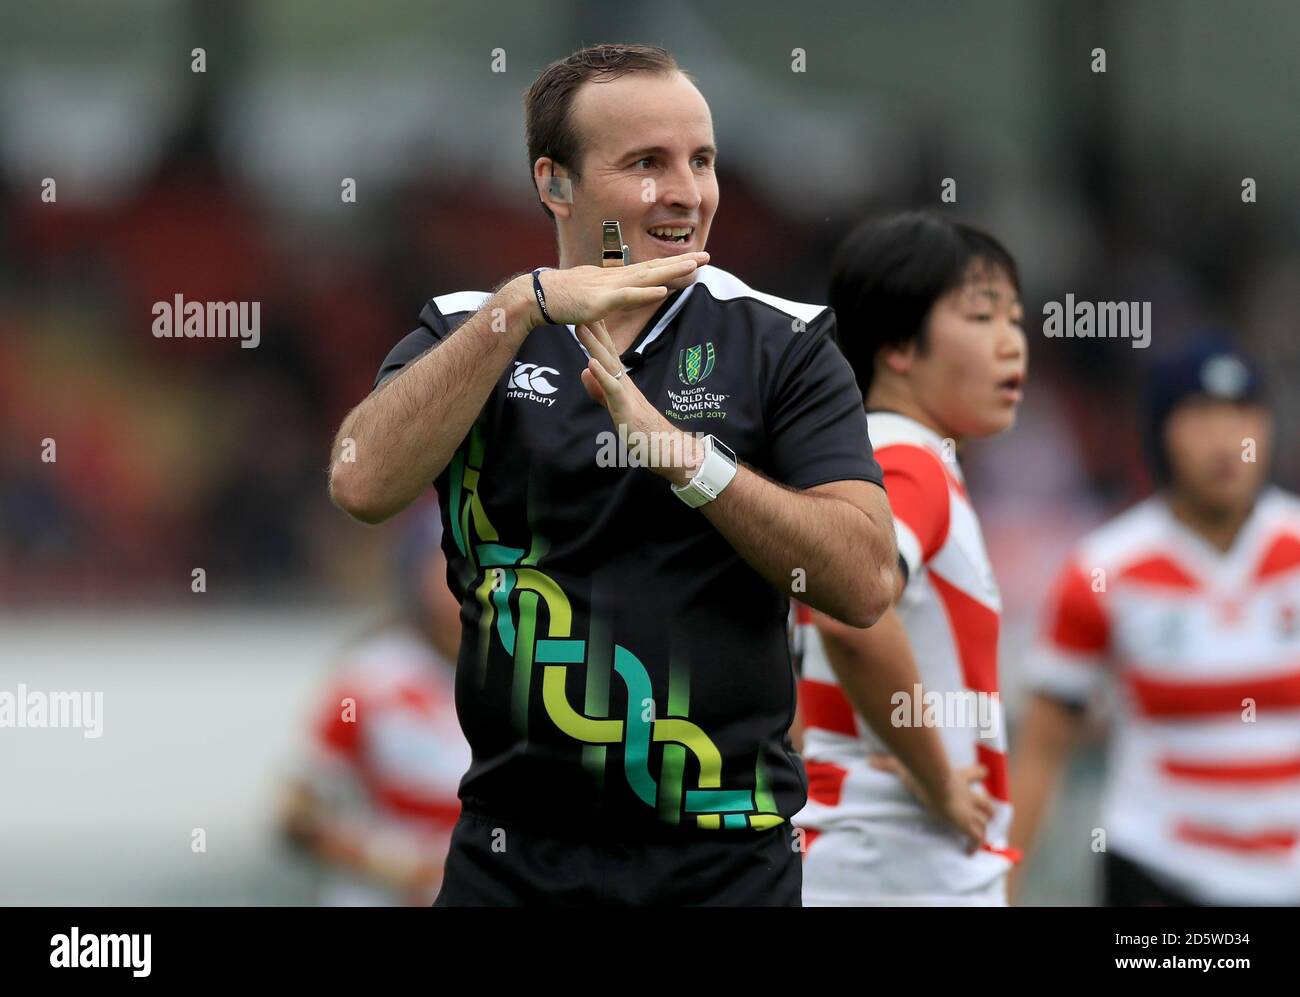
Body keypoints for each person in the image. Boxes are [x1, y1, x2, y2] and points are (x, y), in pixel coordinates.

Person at [326, 43, 899, 906]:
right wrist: (519, 308)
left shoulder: (784, 342)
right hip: (513, 861)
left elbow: (862, 580)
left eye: (701, 160)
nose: (686, 191)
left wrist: (690, 461)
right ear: (554, 184)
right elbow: (361, 484)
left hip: (724, 862)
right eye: (647, 163)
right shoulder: (464, 328)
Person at [1010, 336, 1300, 906]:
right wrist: (1003, 887)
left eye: (1243, 415)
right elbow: (1043, 749)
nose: (1225, 440)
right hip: (1159, 876)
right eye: (1200, 417)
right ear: (1158, 434)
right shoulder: (1106, 569)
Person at [794, 212, 1027, 905]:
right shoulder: (905, 463)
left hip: (866, 859)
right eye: (983, 316)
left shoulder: (871, 458)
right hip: (893, 865)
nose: (1014, 342)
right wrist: (937, 781)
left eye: (1016, 317)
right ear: (898, 343)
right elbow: (851, 617)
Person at [281, 501, 470, 905]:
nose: (465, 580)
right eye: (446, 564)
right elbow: (295, 815)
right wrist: (395, 863)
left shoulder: (531, 676)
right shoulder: (372, 680)